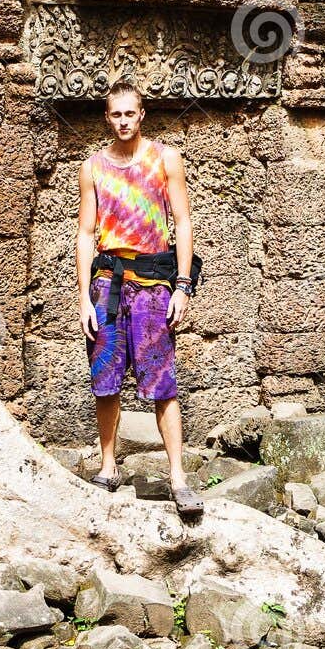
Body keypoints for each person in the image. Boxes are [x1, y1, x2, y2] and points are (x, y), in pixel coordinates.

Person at [76, 79, 203, 520]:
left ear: (142, 114)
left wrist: (183, 286)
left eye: (131, 113)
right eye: (116, 114)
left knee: (161, 381)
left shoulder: (165, 159)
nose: (124, 121)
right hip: (107, 284)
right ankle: (108, 466)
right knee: (105, 378)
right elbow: (86, 234)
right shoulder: (93, 166)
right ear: (106, 117)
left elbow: (183, 222)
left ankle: (178, 477)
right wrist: (83, 299)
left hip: (153, 285)